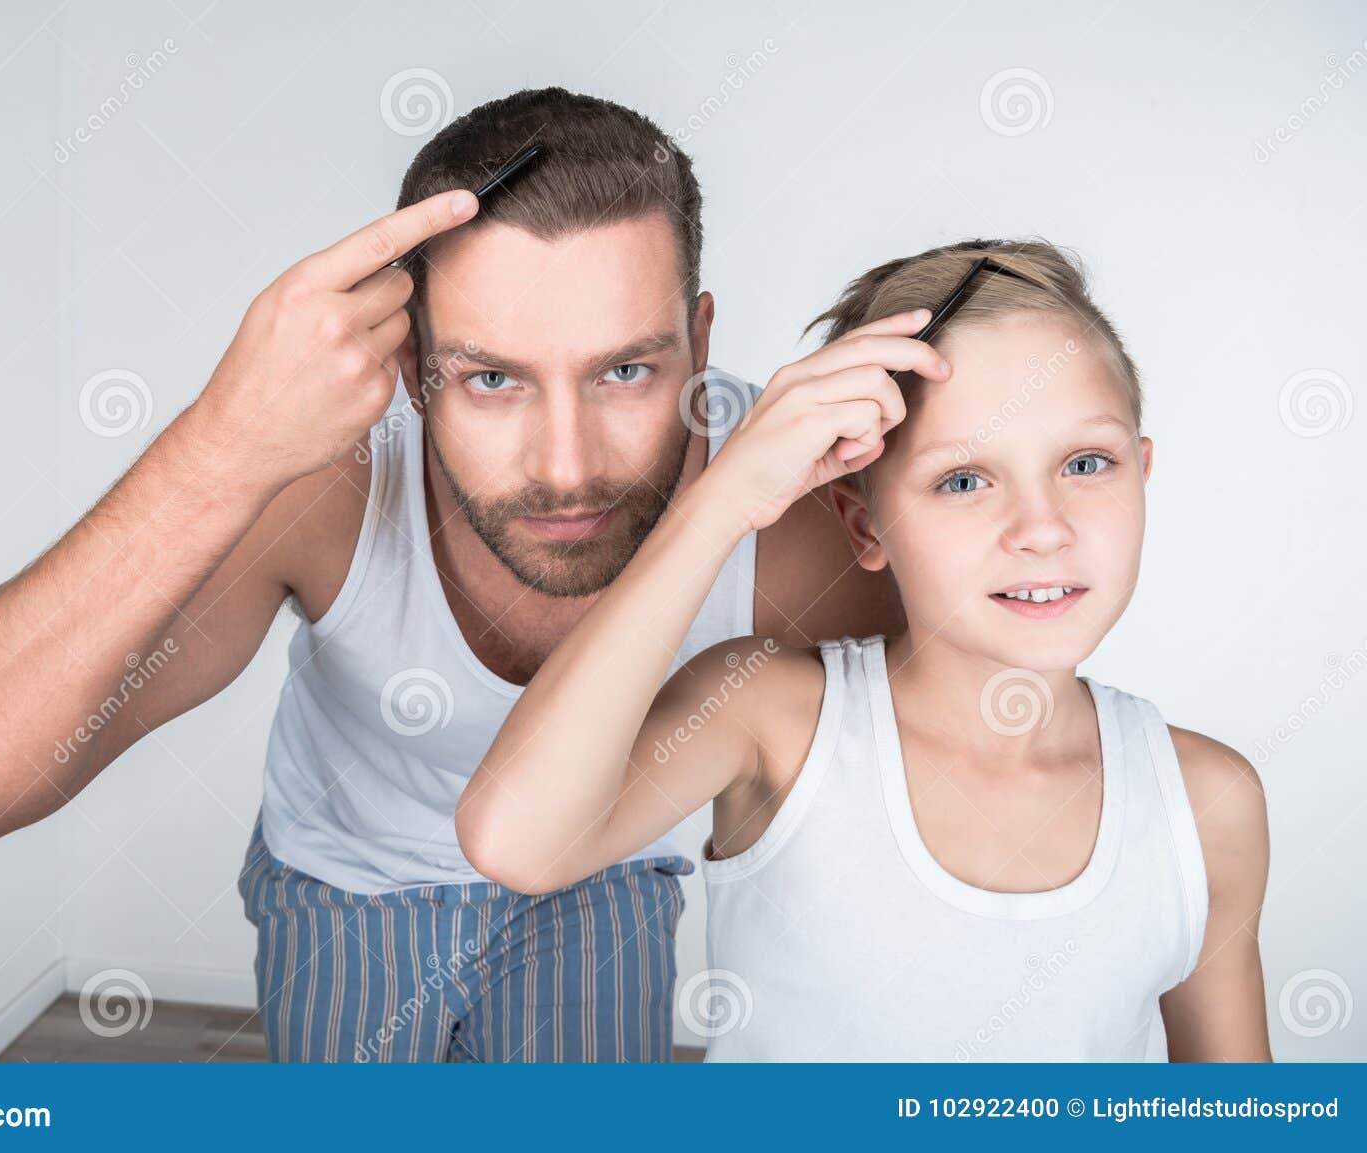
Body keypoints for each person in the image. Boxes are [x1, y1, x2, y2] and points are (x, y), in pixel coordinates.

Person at [0, 88, 907, 1061]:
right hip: (347, 881)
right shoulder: (325, 476)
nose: (567, 464)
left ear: (700, 341)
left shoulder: (800, 516)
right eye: (491, 378)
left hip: (603, 870)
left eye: (625, 370)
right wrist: (222, 440)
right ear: (411, 371)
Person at [457, 239, 1273, 1061]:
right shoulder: (771, 718)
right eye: (963, 480)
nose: (1042, 528)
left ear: (1143, 469)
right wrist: (721, 503)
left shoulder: (1205, 804)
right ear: (864, 524)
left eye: (1085, 463)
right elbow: (518, 842)